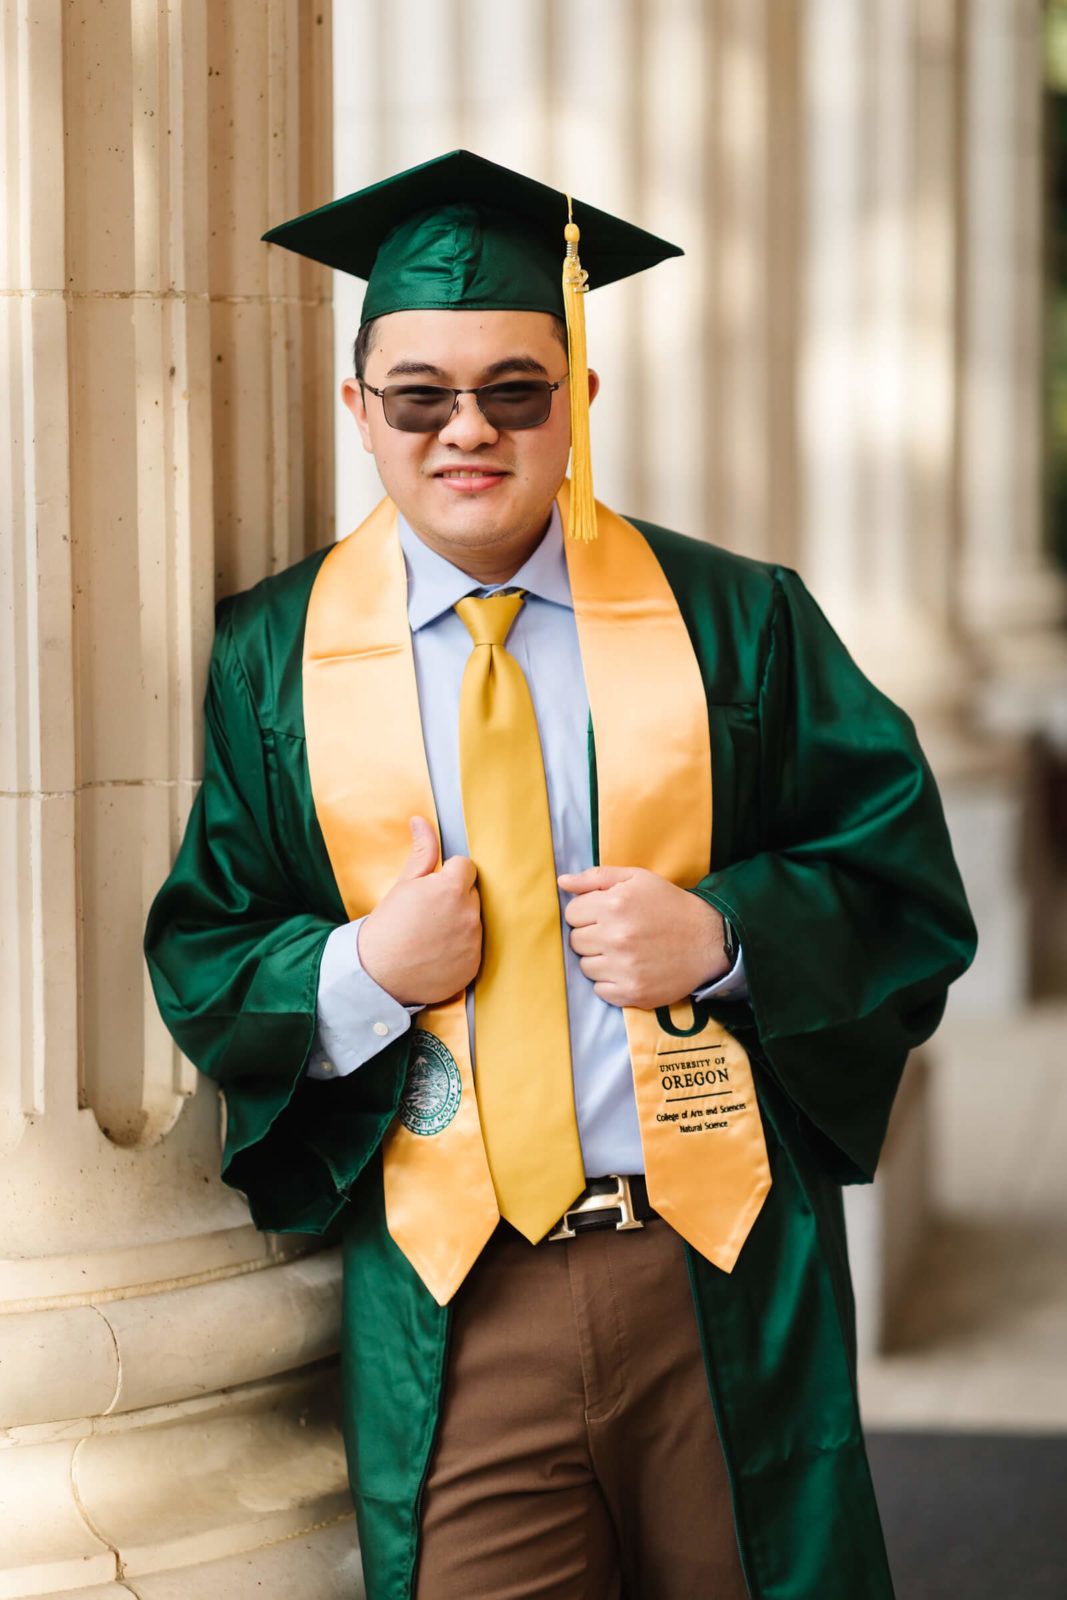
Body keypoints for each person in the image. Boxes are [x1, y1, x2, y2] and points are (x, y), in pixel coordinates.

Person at [144, 149, 977, 1600]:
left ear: (577, 398)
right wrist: (363, 971)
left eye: (514, 391)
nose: (467, 429)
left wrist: (726, 938)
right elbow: (207, 943)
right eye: (420, 397)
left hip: (716, 1264)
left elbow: (902, 881)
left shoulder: (737, 623)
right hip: (457, 1298)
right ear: (359, 411)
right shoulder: (274, 658)